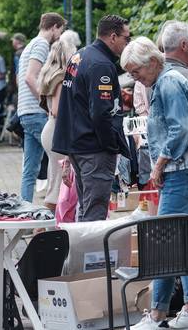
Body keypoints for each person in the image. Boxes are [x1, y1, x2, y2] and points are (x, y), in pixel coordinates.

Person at [121, 37, 188, 330]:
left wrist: (160, 165)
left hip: (183, 170)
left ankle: (158, 315)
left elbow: (181, 129)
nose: (134, 78)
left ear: (152, 62)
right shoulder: (167, 81)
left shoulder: (168, 83)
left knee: (163, 239)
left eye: (136, 71)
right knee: (179, 237)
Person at [53, 15, 131, 222]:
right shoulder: (101, 65)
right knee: (94, 213)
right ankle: (90, 254)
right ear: (113, 37)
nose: (127, 44)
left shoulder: (79, 56)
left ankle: (80, 253)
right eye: (126, 38)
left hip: (78, 145)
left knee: (86, 207)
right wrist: (111, 146)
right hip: (94, 149)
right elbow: (101, 113)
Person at [17, 13, 67, 202]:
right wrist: (46, 103)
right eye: (60, 30)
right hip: (37, 113)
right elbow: (31, 77)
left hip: (25, 112)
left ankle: (25, 211)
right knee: (60, 163)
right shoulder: (41, 45)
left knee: (30, 170)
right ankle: (55, 210)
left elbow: (20, 78)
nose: (60, 36)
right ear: (54, 27)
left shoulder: (29, 45)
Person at [37, 31, 81, 211]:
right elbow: (57, 110)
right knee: (58, 184)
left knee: (55, 180)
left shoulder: (49, 75)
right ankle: (43, 227)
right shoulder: (61, 78)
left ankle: (45, 226)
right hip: (58, 131)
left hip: (51, 129)